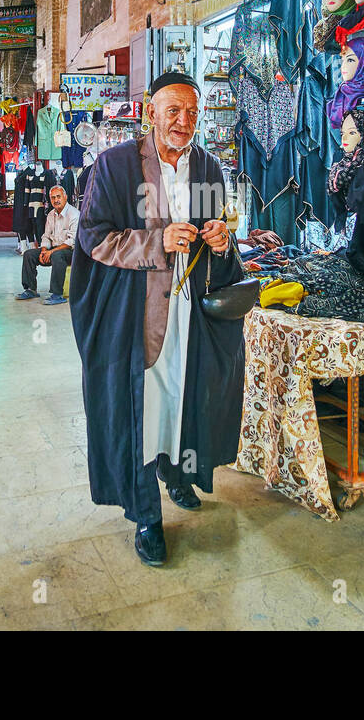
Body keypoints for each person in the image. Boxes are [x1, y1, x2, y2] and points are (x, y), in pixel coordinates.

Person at [70, 71, 246, 567]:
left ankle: (177, 472)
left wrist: (219, 240)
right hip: (136, 316)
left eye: (192, 112)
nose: (183, 121)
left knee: (180, 398)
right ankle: (146, 513)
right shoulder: (116, 166)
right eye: (173, 110)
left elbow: (218, 233)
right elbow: (94, 238)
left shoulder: (208, 167)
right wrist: (156, 242)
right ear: (151, 111)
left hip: (190, 315)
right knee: (141, 413)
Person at [17, 185, 77, 305]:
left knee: (57, 255)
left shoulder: (74, 214)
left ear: (65, 197)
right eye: (53, 198)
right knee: (29, 254)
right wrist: (44, 250)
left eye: (58, 197)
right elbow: (46, 236)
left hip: (71, 251)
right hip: (54, 249)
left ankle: (57, 294)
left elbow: (72, 241)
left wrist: (51, 252)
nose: (56, 200)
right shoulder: (50, 215)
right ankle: (30, 289)